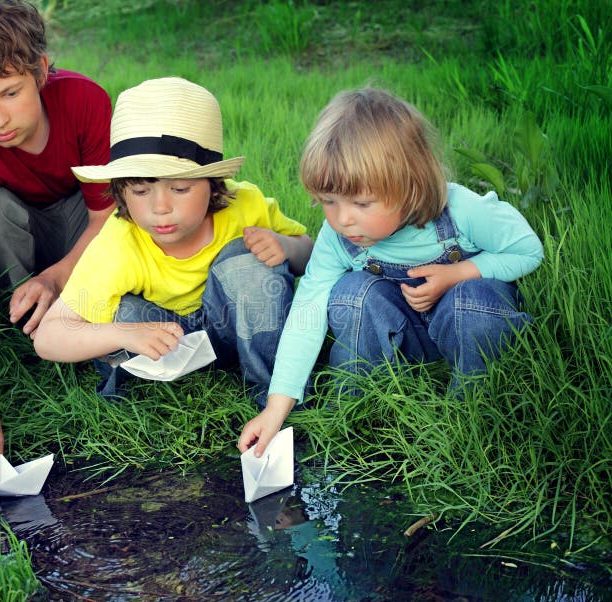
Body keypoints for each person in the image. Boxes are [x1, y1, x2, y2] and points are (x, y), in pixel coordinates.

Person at [238, 87, 544, 456]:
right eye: (328, 202)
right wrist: (276, 405)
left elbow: (528, 250)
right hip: (404, 332)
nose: (343, 218)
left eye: (362, 203)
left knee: (474, 301)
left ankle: (471, 422)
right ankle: (358, 415)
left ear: (410, 184)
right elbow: (309, 308)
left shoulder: (462, 210)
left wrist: (458, 272)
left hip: (468, 322)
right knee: (352, 293)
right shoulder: (339, 237)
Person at [33, 77, 313, 406]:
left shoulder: (245, 205)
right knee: (119, 313)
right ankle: (137, 394)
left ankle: (275, 393)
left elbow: (310, 256)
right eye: (139, 191)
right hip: (159, 343)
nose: (160, 207)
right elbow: (49, 337)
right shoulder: (120, 242)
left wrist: (286, 247)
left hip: (236, 331)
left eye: (179, 189)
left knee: (248, 259)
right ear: (121, 191)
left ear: (214, 183)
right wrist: (124, 334)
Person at [0, 0, 114, 483]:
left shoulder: (84, 102)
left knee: (126, 223)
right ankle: (21, 324)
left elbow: (108, 221)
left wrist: (56, 277)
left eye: (10, 93)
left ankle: (81, 310)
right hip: (15, 243)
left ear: (42, 71)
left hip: (84, 226)